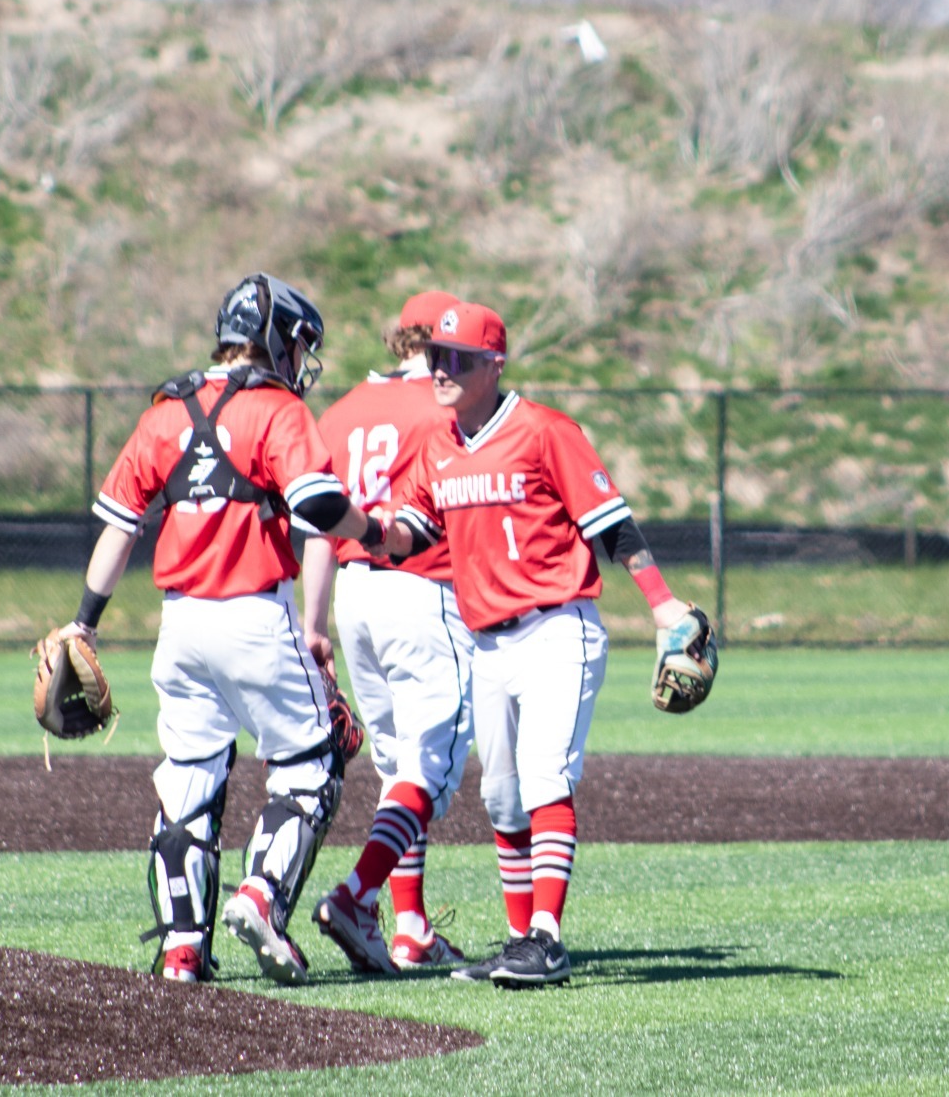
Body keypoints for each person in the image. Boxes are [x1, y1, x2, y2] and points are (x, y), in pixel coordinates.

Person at [63, 273, 387, 986]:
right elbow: (324, 508)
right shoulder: (278, 410)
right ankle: (261, 897)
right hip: (254, 617)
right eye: (301, 342)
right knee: (315, 761)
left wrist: (83, 623)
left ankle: (182, 948)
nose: (303, 358)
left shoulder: (165, 410)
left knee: (189, 781)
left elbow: (119, 526)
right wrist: (380, 532)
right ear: (276, 339)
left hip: (178, 627)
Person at [380, 301, 695, 988]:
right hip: (487, 642)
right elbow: (406, 535)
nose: (441, 368)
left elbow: (612, 524)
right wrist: (353, 523)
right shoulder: (436, 446)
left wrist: (664, 605)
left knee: (545, 773)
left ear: (495, 364)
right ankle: (522, 938)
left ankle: (546, 938)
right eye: (436, 355)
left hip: (558, 627)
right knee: (499, 796)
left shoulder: (545, 430)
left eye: (458, 358)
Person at [302, 290, 475, 975]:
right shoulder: (444, 406)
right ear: (438, 342)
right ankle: (358, 893)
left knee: (399, 765)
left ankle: (412, 926)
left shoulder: (341, 411)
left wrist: (313, 626)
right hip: (423, 589)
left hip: (354, 594)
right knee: (429, 769)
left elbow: (318, 524)